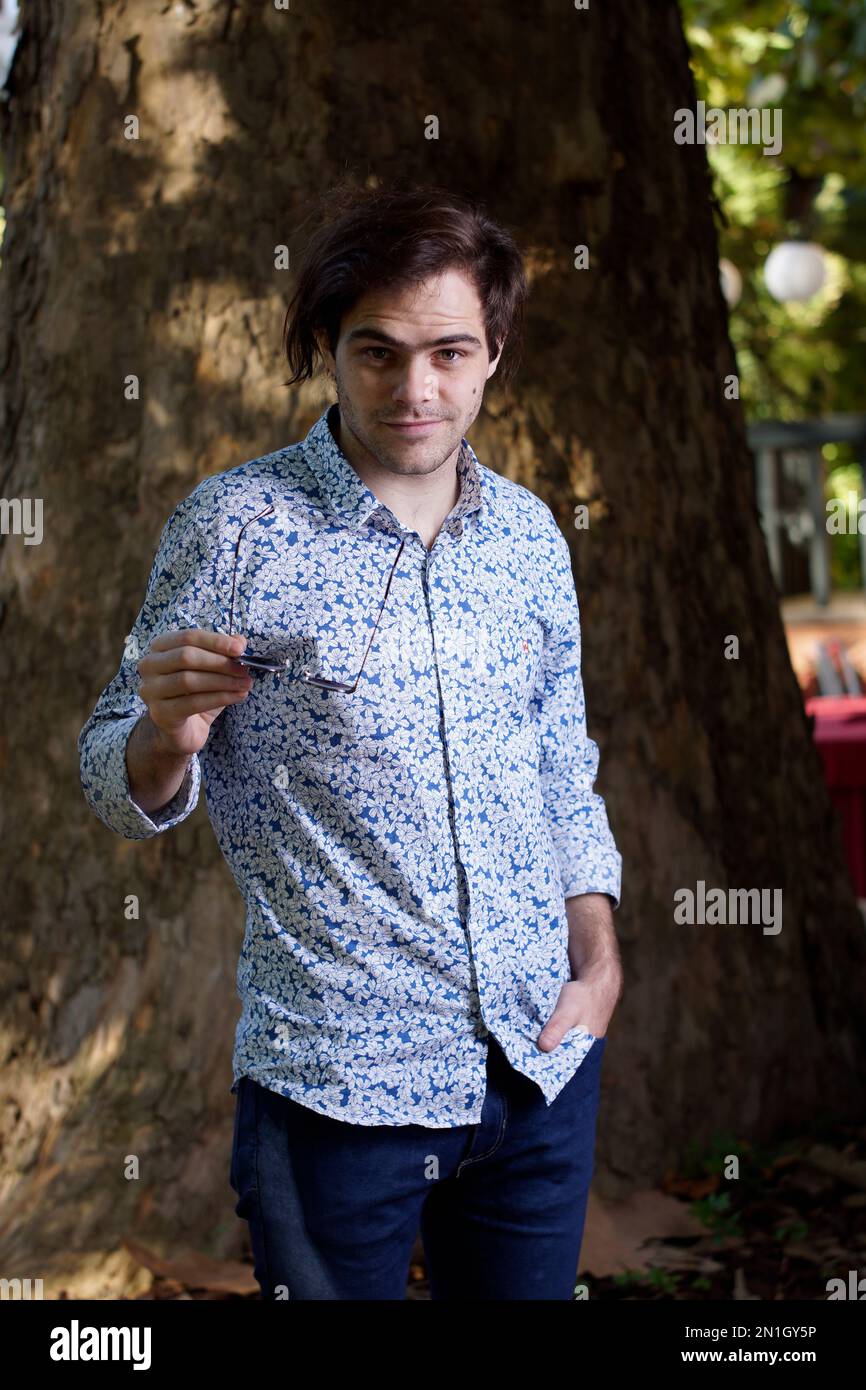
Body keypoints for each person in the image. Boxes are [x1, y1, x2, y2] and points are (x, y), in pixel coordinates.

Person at [77, 182, 624, 1301]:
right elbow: (107, 762)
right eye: (376, 351)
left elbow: (560, 760)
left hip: (538, 1065)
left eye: (448, 352)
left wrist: (600, 956)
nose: (414, 389)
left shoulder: (525, 534)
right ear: (327, 348)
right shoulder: (236, 524)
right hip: (334, 1084)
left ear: (492, 354)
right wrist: (164, 739)